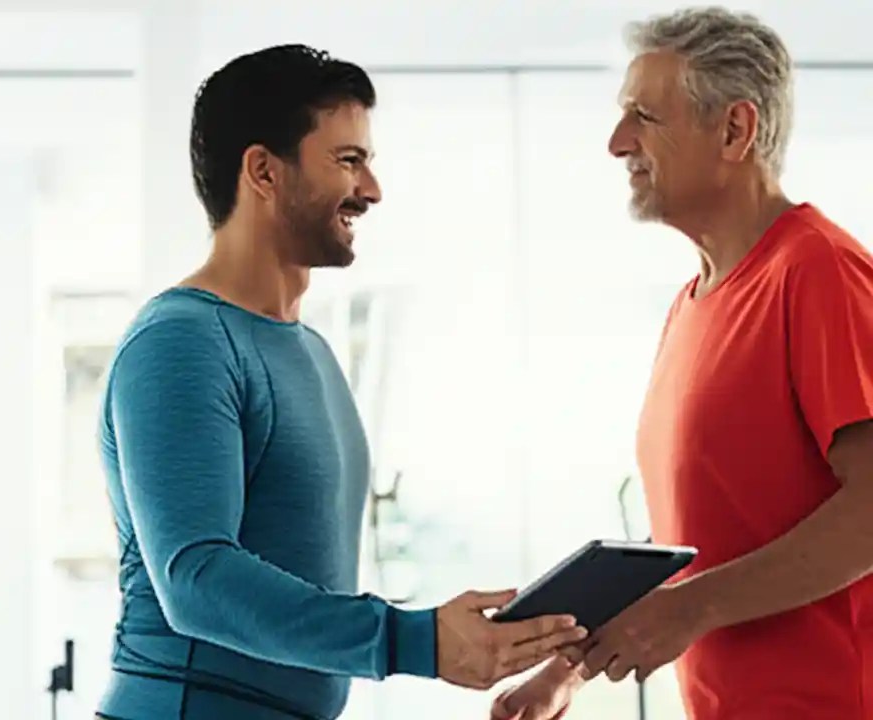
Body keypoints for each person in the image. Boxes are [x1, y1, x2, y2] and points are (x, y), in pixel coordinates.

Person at [95, 44, 586, 720]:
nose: (372, 189)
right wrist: (417, 641)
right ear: (264, 171)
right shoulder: (181, 343)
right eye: (348, 160)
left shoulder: (311, 351)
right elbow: (196, 578)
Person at [492, 6, 873, 720]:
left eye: (644, 116)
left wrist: (692, 609)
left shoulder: (817, 271)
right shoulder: (691, 305)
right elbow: (709, 542)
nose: (617, 142)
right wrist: (567, 671)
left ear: (734, 130)